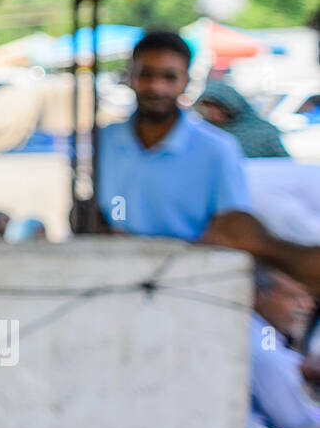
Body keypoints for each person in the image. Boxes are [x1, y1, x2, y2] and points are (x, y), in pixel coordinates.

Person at [94, 29, 320, 291]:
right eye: (147, 75)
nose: (156, 87)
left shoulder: (218, 149)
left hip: (193, 286)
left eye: (169, 77)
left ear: (185, 81)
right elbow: (99, 215)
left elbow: (229, 230)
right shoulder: (104, 142)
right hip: (117, 280)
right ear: (131, 77)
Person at [248, 262, 320, 428]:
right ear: (258, 297)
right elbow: (300, 427)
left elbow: (278, 356)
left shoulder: (264, 330)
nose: (307, 306)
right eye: (294, 297)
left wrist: (299, 364)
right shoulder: (264, 349)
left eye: (309, 297)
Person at [194, 79, 290, 158]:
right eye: (208, 107)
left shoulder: (263, 133)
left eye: (217, 106)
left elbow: (284, 165)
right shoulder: (205, 134)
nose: (213, 112)